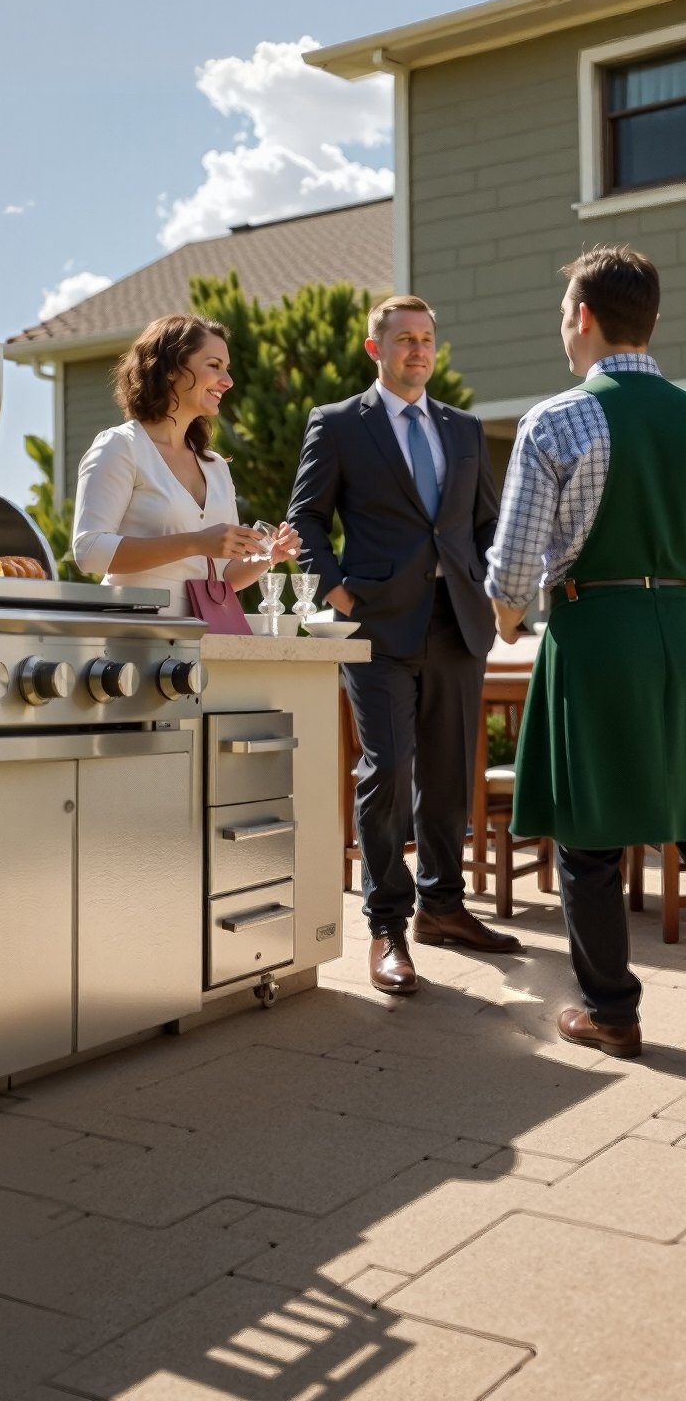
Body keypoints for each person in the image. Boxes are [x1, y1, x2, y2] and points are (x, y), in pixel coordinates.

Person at [288, 294, 520, 996]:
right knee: (387, 772)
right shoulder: (338, 425)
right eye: (404, 340)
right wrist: (341, 597)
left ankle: (443, 908)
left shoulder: (465, 428)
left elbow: (485, 524)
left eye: (427, 339)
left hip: (458, 626)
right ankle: (387, 925)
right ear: (375, 349)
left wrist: (488, 588)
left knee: (449, 776)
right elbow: (306, 521)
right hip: (380, 630)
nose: (418, 350)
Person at [487, 246, 686, 1059]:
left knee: (590, 835)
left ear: (584, 318)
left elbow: (511, 568)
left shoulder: (558, 418)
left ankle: (612, 1012)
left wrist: (505, 620)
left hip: (597, 633)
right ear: (654, 322)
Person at [71, 314, 299, 611]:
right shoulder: (121, 447)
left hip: (198, 638)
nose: (228, 381)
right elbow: (89, 551)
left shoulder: (216, 466)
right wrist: (195, 543)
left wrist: (268, 555)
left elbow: (223, 577)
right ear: (170, 370)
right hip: (132, 638)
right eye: (214, 366)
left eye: (227, 369)